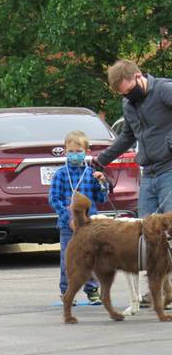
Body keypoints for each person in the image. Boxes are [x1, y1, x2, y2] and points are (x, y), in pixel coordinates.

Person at [96, 59, 172, 306]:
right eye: (123, 94)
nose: (128, 96)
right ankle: (161, 292)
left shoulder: (163, 90)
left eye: (129, 90)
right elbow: (127, 136)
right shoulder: (129, 104)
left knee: (170, 232)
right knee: (148, 236)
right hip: (148, 173)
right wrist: (101, 160)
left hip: (170, 168)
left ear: (139, 76)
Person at [49, 130, 109, 304]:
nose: (75, 155)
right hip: (69, 225)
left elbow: (101, 199)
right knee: (68, 257)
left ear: (86, 151)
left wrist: (102, 183)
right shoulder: (61, 173)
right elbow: (54, 198)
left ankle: (92, 290)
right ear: (65, 151)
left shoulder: (91, 173)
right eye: (71, 152)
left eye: (78, 151)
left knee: (92, 256)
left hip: (90, 224)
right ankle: (67, 290)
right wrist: (68, 216)